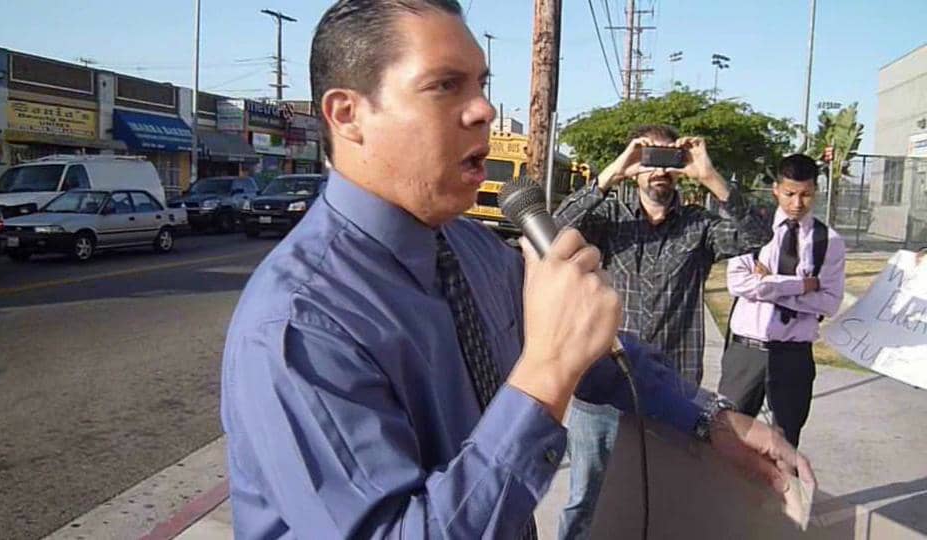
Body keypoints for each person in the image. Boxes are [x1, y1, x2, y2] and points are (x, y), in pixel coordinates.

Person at [220, 2, 814, 538]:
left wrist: (710, 418)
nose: (483, 109)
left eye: (480, 84)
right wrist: (545, 374)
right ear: (348, 114)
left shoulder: (474, 249)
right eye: (445, 86)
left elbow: (595, 356)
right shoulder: (300, 323)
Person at [553, 126, 773, 538]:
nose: (659, 171)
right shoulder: (609, 221)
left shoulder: (699, 226)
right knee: (586, 501)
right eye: (649, 160)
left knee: (665, 501)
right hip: (603, 388)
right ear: (636, 169)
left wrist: (710, 176)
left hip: (675, 394)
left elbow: (758, 235)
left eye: (668, 161)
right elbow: (557, 229)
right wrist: (613, 170)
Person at [719, 154, 846, 447]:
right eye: (790, 194)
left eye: (806, 195)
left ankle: (783, 492)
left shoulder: (829, 242)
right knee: (729, 435)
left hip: (794, 354)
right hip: (746, 351)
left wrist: (766, 284)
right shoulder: (751, 229)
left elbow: (828, 303)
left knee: (786, 441)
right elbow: (737, 282)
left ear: (816, 191)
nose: (797, 203)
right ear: (776, 189)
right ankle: (727, 493)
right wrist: (802, 285)